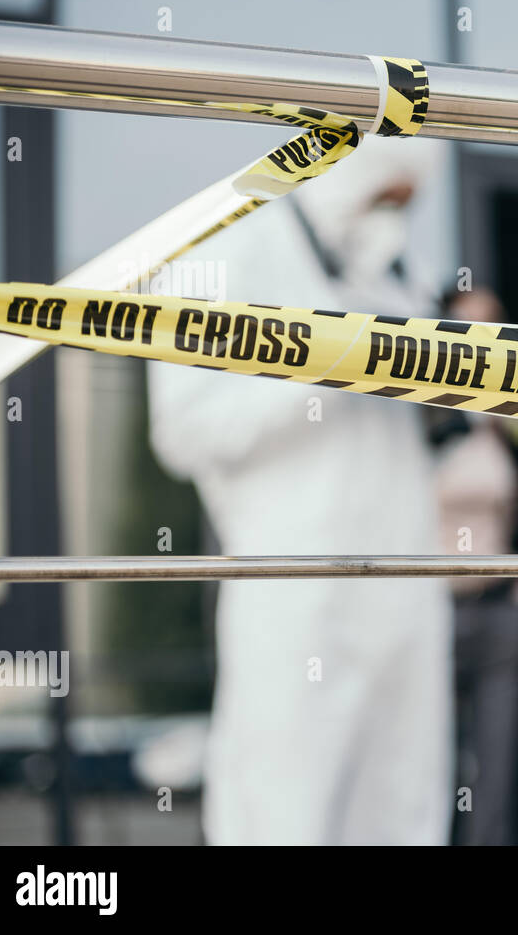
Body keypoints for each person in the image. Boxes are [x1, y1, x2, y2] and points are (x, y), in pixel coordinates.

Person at [147, 136, 454, 844]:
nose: (397, 214)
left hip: (408, 591)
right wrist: (329, 363)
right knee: (284, 804)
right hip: (297, 594)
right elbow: (182, 429)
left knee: (406, 803)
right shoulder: (222, 246)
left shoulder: (396, 271)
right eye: (388, 193)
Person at [434, 286, 518, 845]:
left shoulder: (515, 420)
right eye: (465, 327)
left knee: (497, 766)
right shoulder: (416, 417)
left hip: (502, 606)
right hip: (432, 608)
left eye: (492, 327)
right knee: (431, 765)